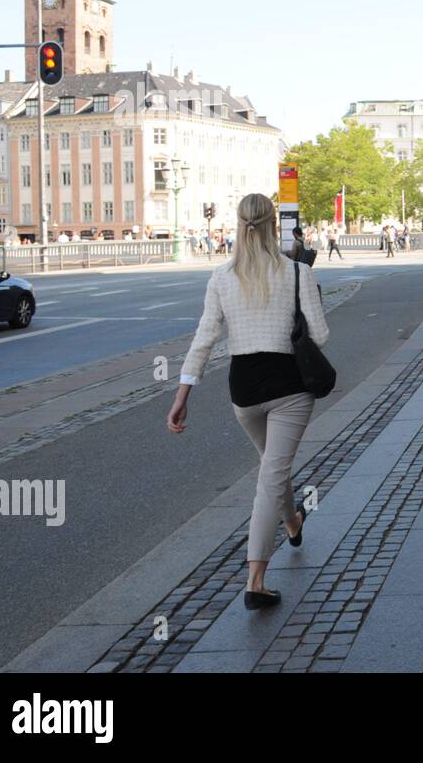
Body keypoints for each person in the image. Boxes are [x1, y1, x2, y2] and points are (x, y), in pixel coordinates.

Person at [167, 193, 328, 611]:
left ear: (238, 226)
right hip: (290, 386)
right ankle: (255, 582)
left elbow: (204, 339)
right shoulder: (296, 273)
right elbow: (321, 336)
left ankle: (292, 521)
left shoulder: (221, 277)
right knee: (271, 477)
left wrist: (182, 395)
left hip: (244, 390)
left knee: (274, 466)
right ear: (275, 225)